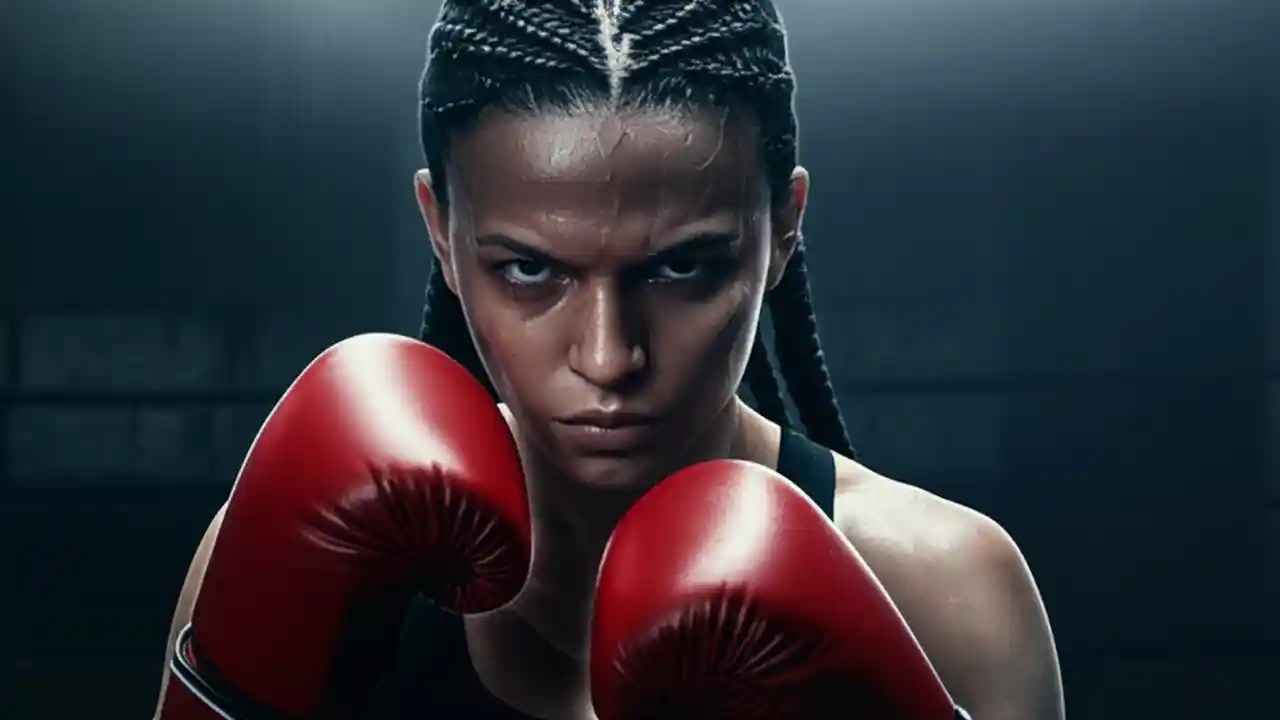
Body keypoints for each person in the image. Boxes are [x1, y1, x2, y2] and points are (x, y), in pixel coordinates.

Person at [153, 1, 1064, 718]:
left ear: (784, 227)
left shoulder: (944, 592)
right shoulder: (291, 558)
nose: (609, 356)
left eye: (680, 266)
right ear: (440, 230)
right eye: (530, 270)